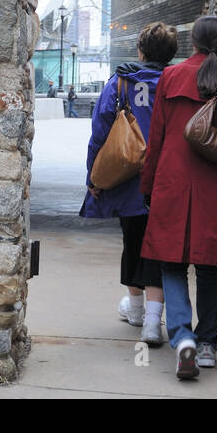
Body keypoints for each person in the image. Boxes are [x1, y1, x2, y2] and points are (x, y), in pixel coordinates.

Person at [140, 15, 217, 381]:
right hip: (212, 189)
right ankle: (206, 345)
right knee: (207, 267)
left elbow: (156, 139)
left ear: (193, 43)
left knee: (171, 264)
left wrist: (147, 186)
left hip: (170, 183)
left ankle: (182, 337)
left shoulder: (170, 78)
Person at [81, 23, 179, 346]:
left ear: (140, 51)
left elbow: (100, 131)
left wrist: (93, 176)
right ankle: (153, 319)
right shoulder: (176, 82)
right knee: (159, 248)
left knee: (133, 240)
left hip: (129, 179)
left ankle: (137, 310)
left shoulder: (120, 82)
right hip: (167, 178)